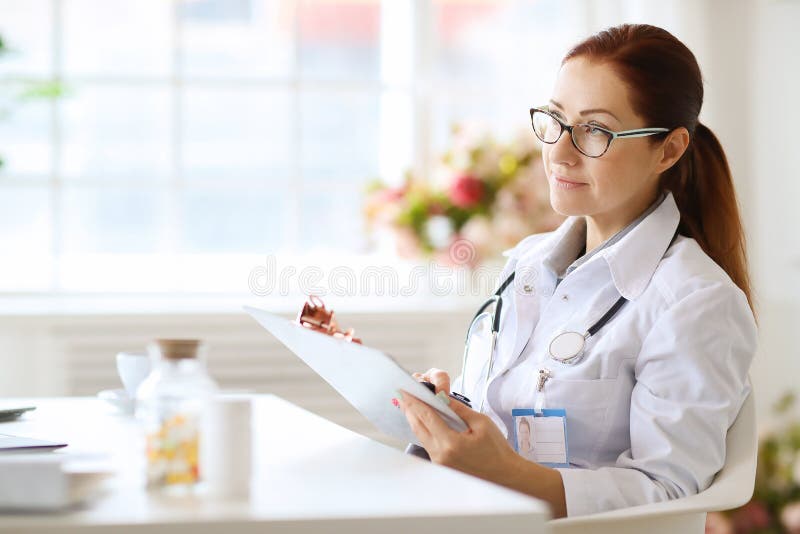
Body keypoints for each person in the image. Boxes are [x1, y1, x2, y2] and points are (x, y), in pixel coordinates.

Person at [398, 23, 757, 519]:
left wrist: (505, 472)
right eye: (556, 119)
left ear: (669, 150)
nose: (559, 153)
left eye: (595, 131)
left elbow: (669, 494)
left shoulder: (697, 301)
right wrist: (448, 411)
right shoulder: (528, 262)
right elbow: (503, 411)